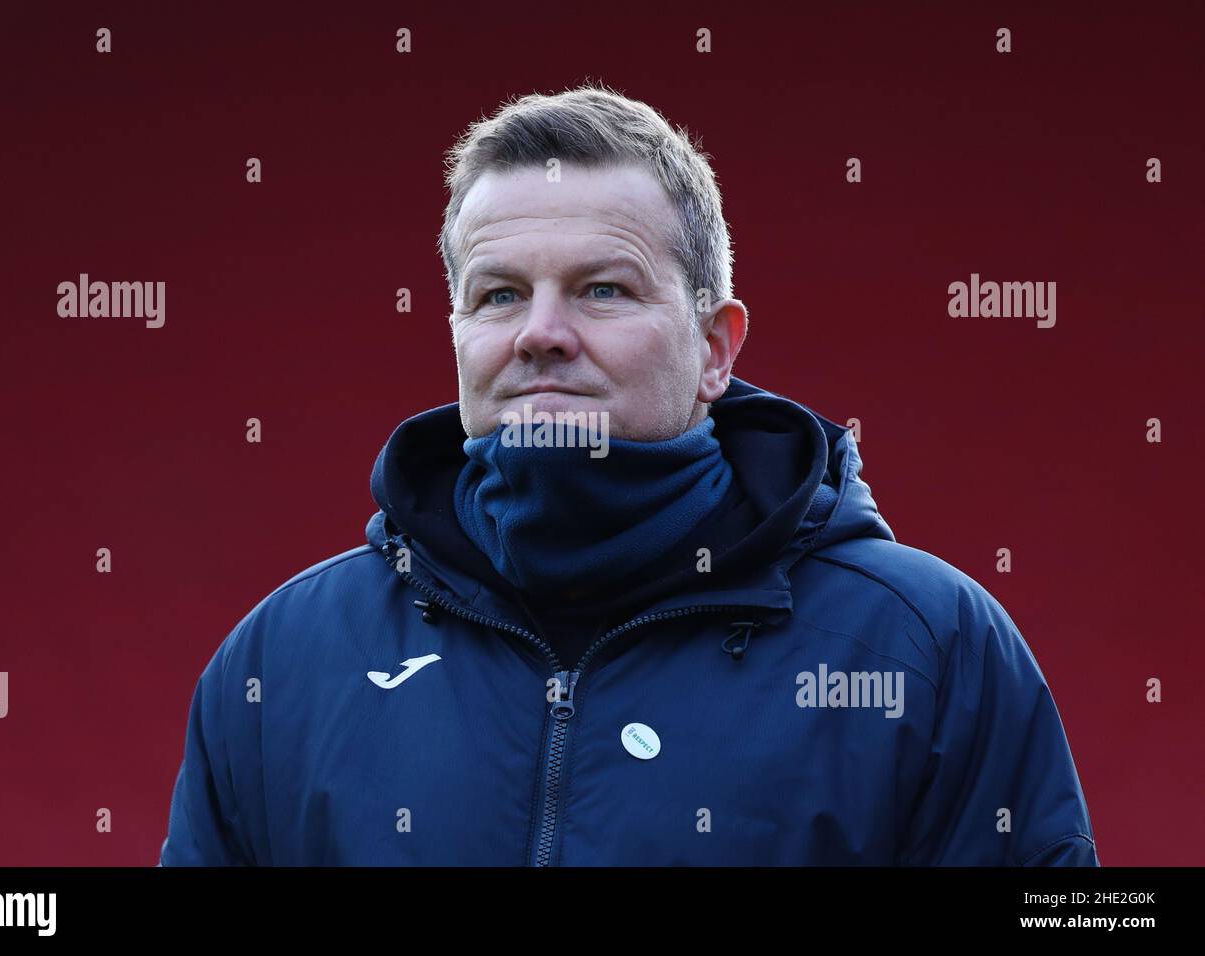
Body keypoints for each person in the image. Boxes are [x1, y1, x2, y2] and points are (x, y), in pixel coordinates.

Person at [158, 83, 1098, 866]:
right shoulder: (280, 664)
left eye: (603, 288)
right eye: (499, 295)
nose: (541, 333)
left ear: (715, 350)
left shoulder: (924, 648)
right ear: (457, 332)